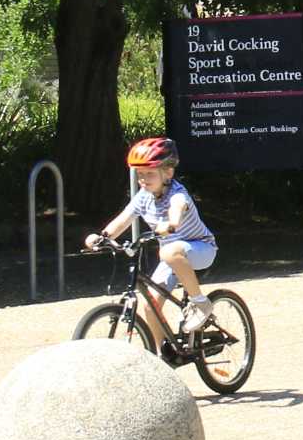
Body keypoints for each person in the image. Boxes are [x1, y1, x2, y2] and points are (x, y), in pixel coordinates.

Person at [86, 136, 218, 339]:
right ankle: (161, 355)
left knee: (168, 250)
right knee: (150, 305)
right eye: (140, 174)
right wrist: (102, 237)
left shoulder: (177, 194)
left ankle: (201, 303)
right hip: (172, 258)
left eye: (150, 174)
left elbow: (177, 209)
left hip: (201, 249)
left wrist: (172, 224)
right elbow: (123, 220)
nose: (143, 180)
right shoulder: (143, 196)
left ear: (168, 172)